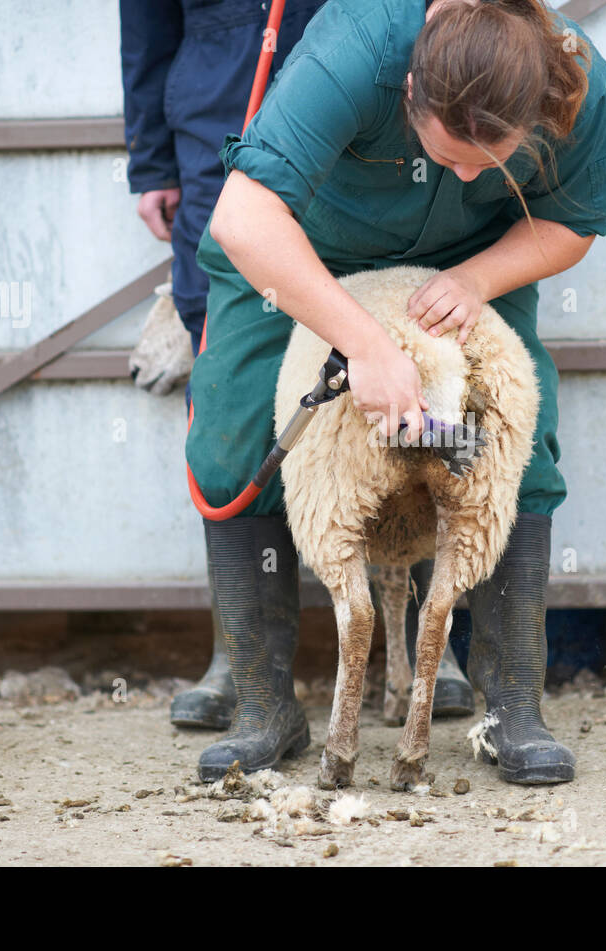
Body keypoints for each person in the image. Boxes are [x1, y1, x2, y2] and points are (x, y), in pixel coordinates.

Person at [188, 0, 606, 785]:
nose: (463, 174)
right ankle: (263, 704)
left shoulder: (576, 82)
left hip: (467, 257)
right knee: (235, 432)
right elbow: (245, 218)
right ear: (412, 88)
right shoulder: (358, 47)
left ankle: (512, 708)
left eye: (486, 163)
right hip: (306, 250)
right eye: (449, 153)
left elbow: (575, 219)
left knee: (516, 436)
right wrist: (363, 343)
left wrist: (476, 280)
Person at [120, 0, 476, 732]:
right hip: (222, 122)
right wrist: (153, 156)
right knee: (237, 383)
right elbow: (147, 16)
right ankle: (244, 659)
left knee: (407, 362)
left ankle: (411, 639)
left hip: (373, 136)